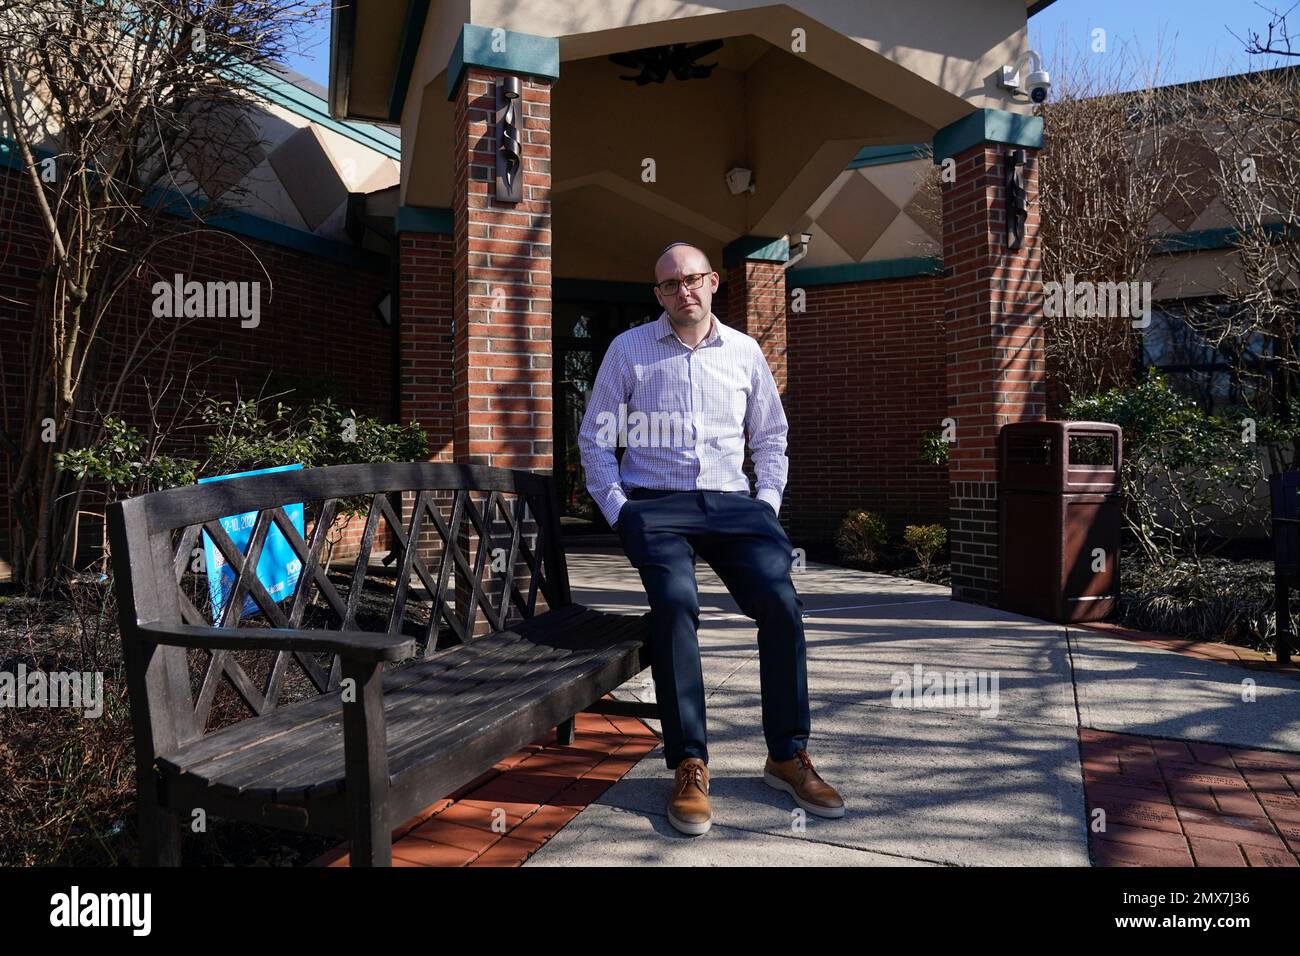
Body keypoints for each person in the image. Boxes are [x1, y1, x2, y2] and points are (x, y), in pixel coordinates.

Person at [577, 240, 845, 837]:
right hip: (656, 502)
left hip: (733, 503)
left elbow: (771, 438)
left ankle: (786, 755)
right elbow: (595, 438)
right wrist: (622, 511)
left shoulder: (746, 352)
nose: (683, 292)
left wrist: (767, 506)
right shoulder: (630, 349)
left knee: (780, 603)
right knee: (675, 605)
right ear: (659, 294)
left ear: (714, 282)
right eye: (670, 284)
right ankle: (690, 762)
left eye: (692, 279)